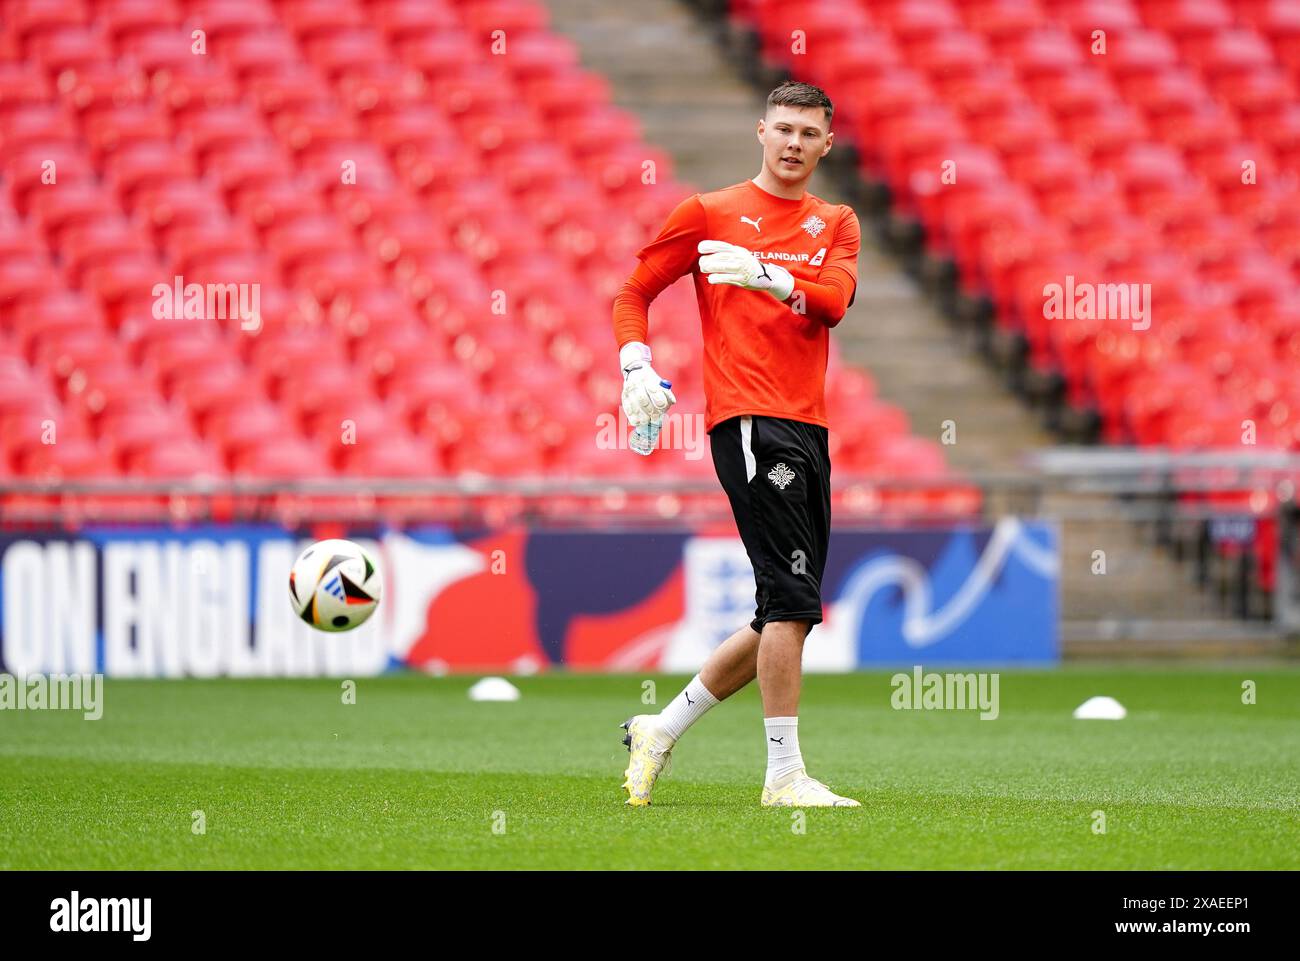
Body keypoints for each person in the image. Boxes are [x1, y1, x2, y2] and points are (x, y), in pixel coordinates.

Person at [611, 80, 862, 808]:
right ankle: (783, 775)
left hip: (807, 424)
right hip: (751, 421)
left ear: (826, 144)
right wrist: (635, 363)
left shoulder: (837, 221)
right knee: (790, 603)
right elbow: (634, 292)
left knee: (788, 608)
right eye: (782, 128)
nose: (792, 143)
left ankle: (661, 726)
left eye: (807, 134)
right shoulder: (709, 213)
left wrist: (770, 277)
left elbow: (836, 301)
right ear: (760, 131)